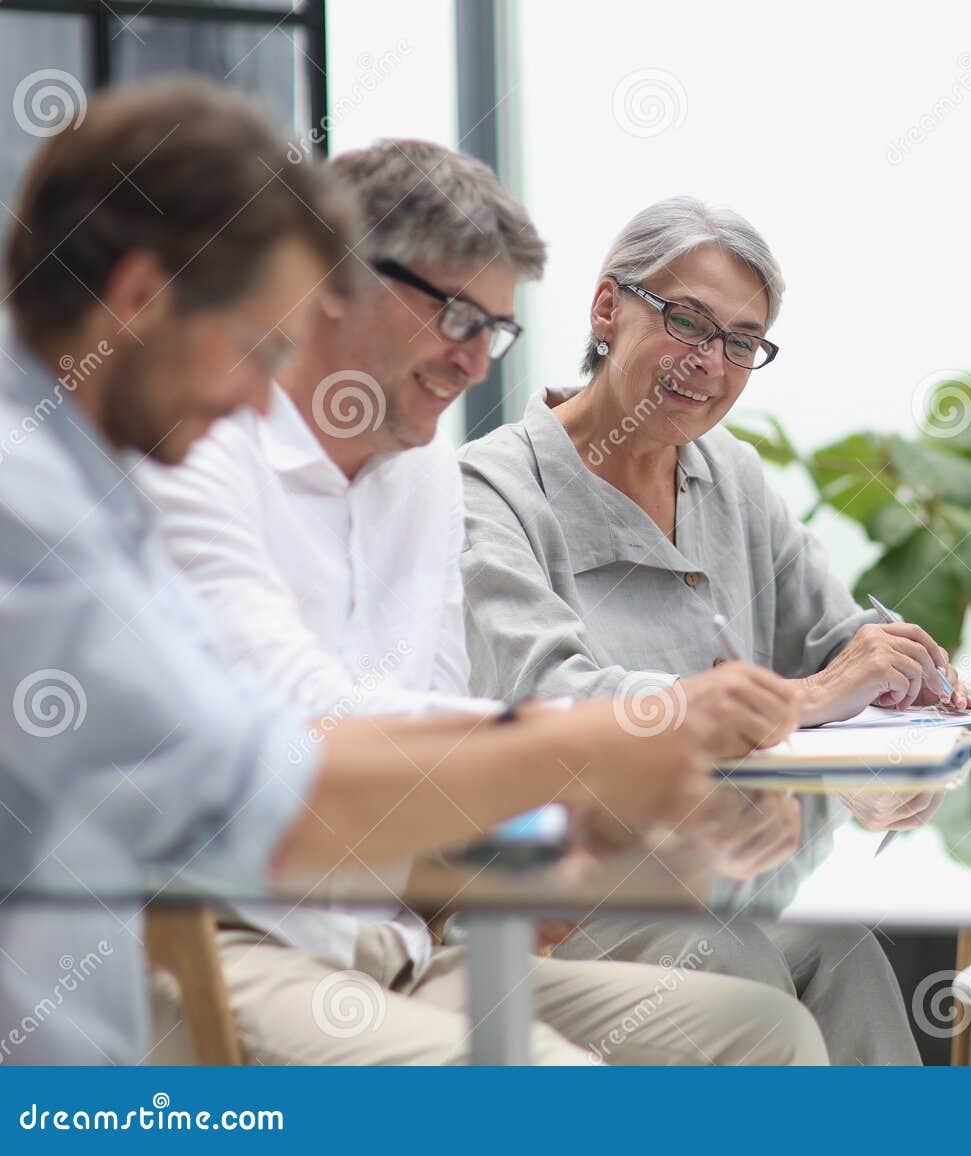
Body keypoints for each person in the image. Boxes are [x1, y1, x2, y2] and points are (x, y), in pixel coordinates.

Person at [0, 78, 822, 1066]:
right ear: (138, 300)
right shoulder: (46, 498)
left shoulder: (106, 473)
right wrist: (596, 748)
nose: (268, 388)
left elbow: (387, 723)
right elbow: (277, 767)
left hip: (387, 938)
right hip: (203, 964)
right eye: (263, 339)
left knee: (759, 1033)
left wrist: (580, 806)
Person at [458, 196, 971, 1064]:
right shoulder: (494, 491)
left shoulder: (727, 474)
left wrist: (904, 684)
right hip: (568, 902)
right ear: (607, 309)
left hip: (731, 883)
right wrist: (808, 697)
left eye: (741, 342)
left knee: (849, 956)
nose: (710, 362)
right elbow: (553, 701)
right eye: (689, 321)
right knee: (740, 976)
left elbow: (835, 645)